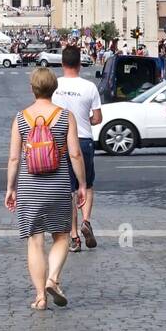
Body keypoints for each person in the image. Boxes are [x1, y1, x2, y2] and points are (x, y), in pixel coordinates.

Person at [6, 67, 86, 310]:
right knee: (61, 236)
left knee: (35, 241)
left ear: (32, 88)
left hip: (29, 186)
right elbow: (74, 153)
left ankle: (40, 296)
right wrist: (81, 184)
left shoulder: (21, 118)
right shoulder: (65, 116)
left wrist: (10, 188)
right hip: (59, 184)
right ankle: (53, 278)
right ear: (54, 89)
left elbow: (13, 158)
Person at [52, 45, 102, 253]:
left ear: (62, 64)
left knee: (69, 190)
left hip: (62, 140)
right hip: (84, 140)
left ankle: (74, 236)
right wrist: (85, 119)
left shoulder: (54, 85)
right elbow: (98, 118)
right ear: (80, 64)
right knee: (87, 185)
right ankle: (87, 221)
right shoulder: (89, 87)